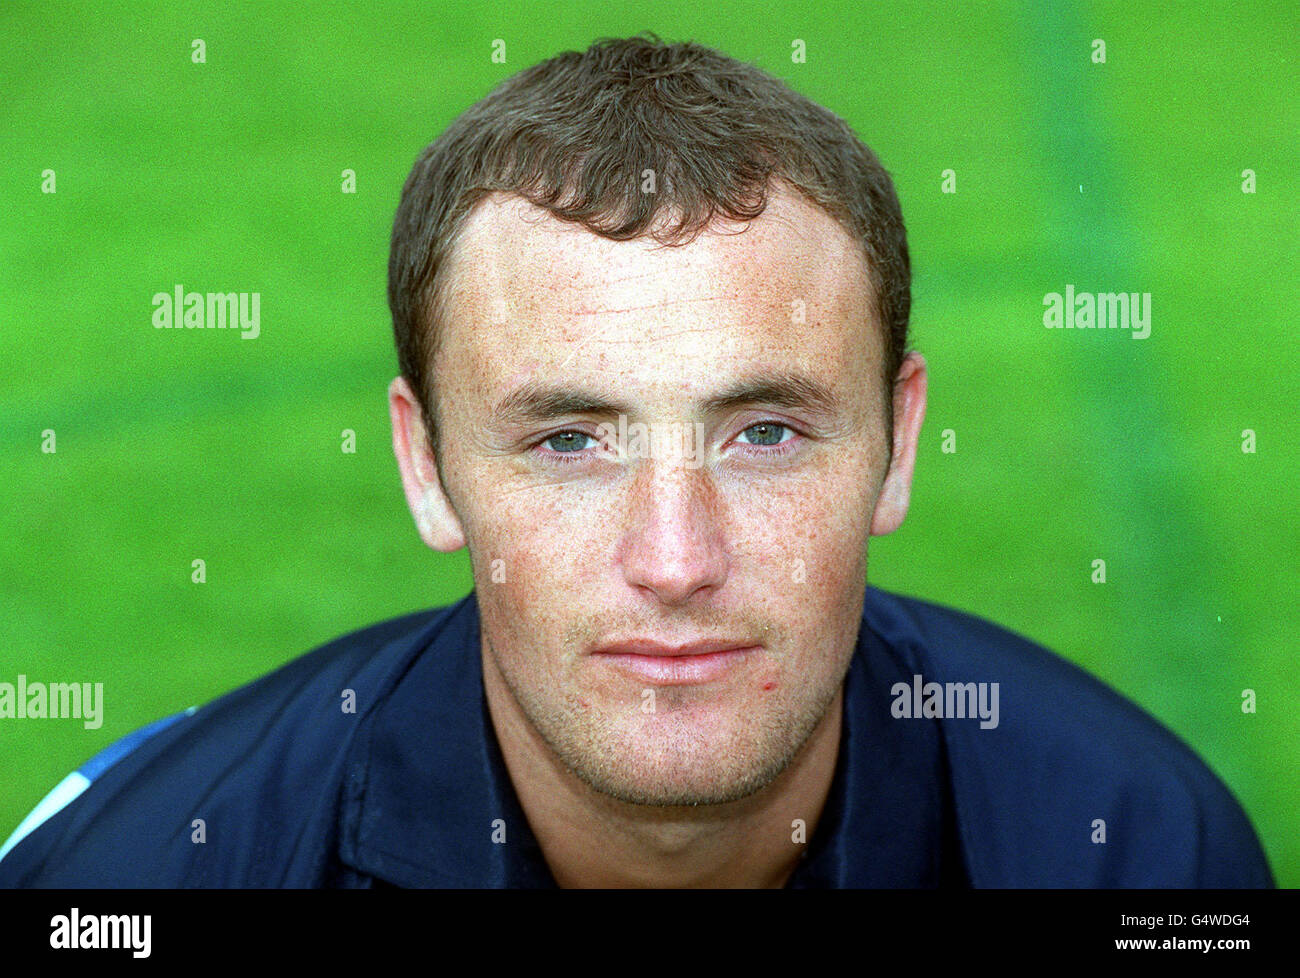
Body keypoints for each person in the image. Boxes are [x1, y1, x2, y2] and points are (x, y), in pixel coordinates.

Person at [0, 34, 1272, 888]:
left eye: (764, 433)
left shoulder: (1142, 853)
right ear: (426, 464)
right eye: (567, 441)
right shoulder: (141, 873)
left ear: (895, 447)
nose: (675, 560)